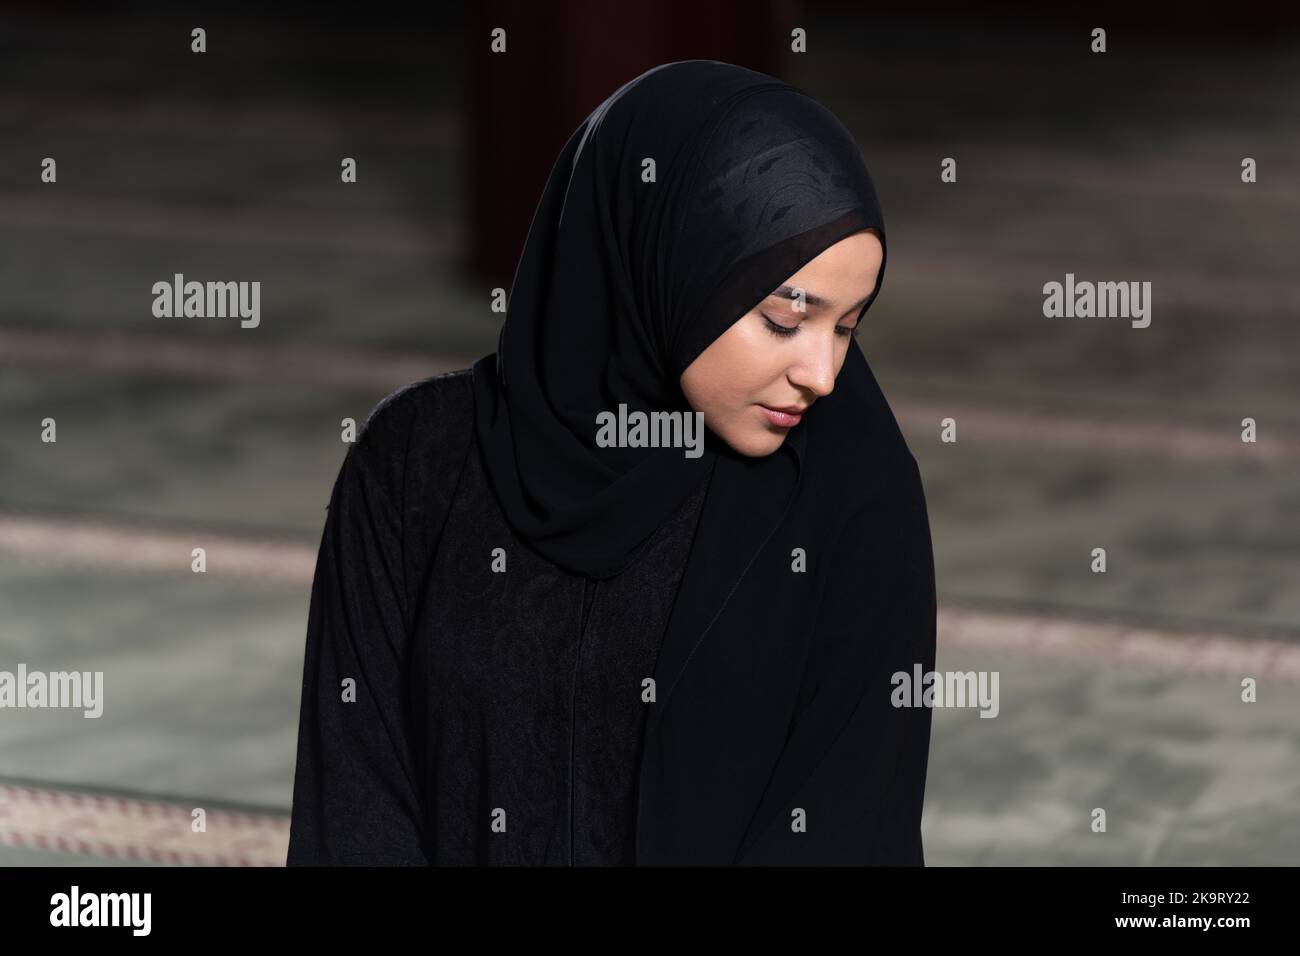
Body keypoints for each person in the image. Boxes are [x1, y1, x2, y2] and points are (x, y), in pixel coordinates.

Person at [286, 59, 936, 866]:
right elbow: (357, 807)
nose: (822, 374)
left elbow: (846, 829)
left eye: (848, 328)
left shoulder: (853, 497)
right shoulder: (415, 463)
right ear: (664, 264)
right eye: (783, 320)